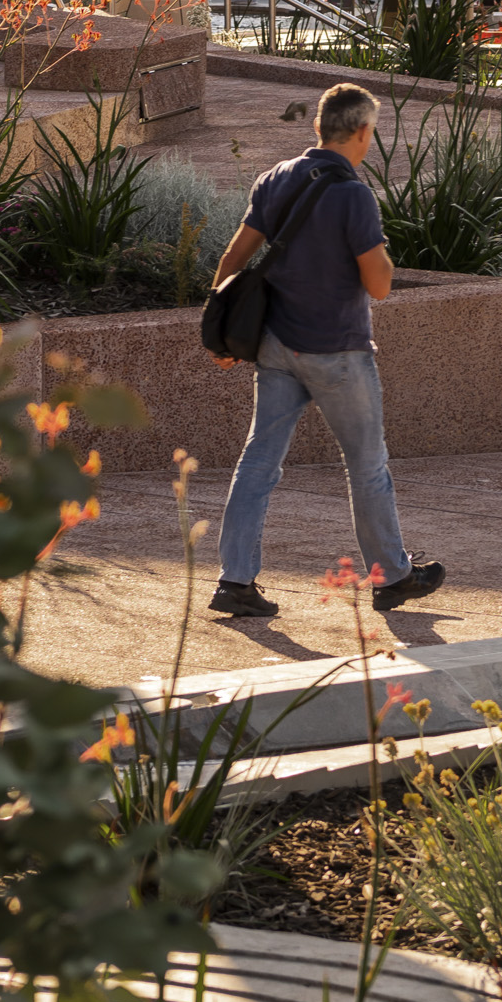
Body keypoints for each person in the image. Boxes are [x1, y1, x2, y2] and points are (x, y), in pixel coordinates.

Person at [208, 80, 445, 622]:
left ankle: (235, 581)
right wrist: (382, 254)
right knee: (367, 466)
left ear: (318, 128)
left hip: (275, 348)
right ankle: (392, 576)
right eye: (370, 133)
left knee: (258, 462)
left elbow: (234, 257)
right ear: (362, 133)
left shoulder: (276, 178)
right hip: (337, 350)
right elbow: (380, 284)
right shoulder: (353, 195)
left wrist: (222, 332)